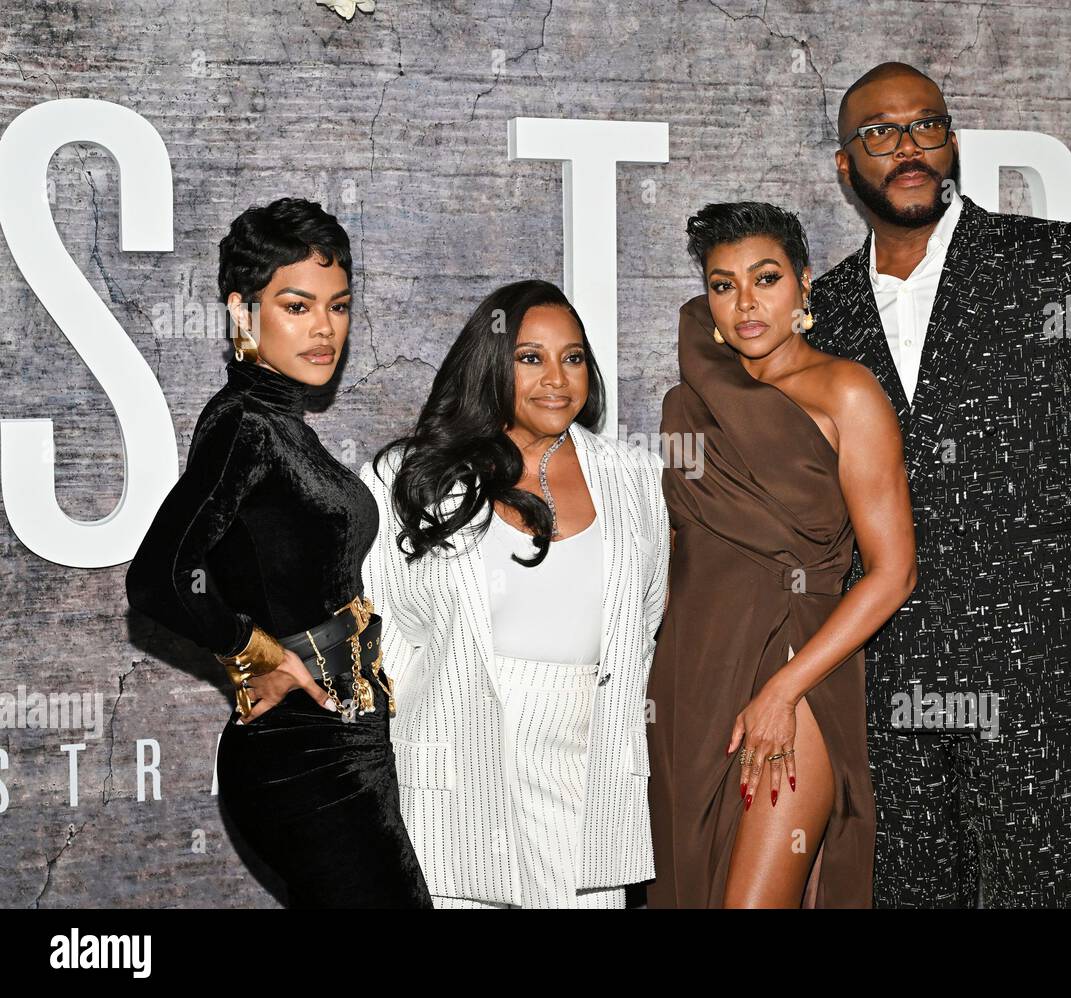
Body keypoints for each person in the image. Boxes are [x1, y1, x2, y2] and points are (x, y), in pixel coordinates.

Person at [807, 62, 1071, 907]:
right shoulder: (824, 311)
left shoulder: (1050, 259)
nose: (908, 149)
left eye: (926, 126)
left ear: (952, 143)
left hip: (1036, 671)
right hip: (885, 678)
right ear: (843, 163)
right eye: (880, 133)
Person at [125, 197, 432, 908]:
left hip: (346, 738)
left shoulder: (283, 426)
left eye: (339, 305)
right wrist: (258, 653)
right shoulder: (246, 429)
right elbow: (160, 578)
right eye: (297, 305)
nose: (325, 328)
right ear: (242, 311)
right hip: (301, 755)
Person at [360, 279, 669, 908]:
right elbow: (379, 635)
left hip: (589, 772)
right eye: (531, 358)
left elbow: (644, 616)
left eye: (573, 357)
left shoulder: (633, 476)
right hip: (454, 764)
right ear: (492, 365)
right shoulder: (410, 480)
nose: (556, 377)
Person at [646, 202, 918, 908]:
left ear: (803, 285)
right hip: (692, 677)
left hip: (797, 671)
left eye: (765, 279)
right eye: (722, 283)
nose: (745, 303)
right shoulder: (688, 406)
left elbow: (893, 572)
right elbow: (680, 558)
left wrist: (783, 688)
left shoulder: (846, 392)